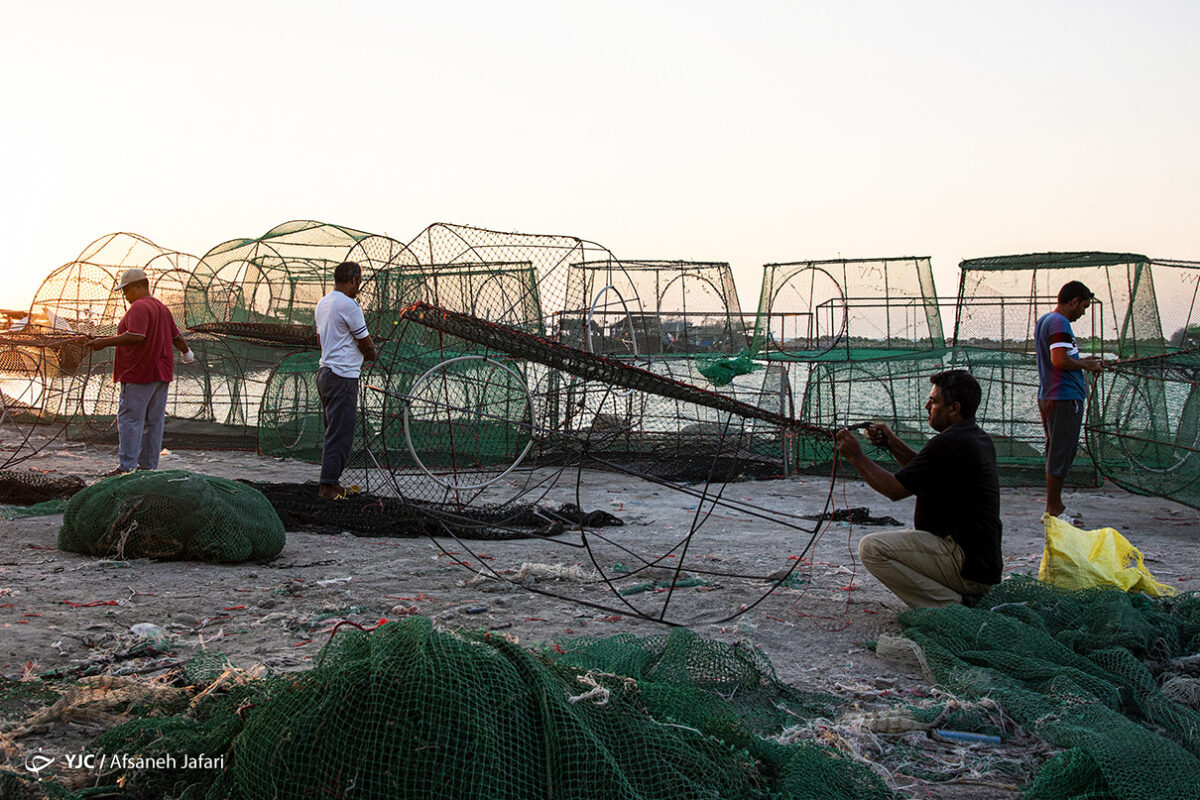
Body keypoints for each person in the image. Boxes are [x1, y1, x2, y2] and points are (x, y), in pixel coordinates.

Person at [833, 370, 1003, 608]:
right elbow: (924, 470)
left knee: (872, 549)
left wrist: (856, 456)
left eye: (933, 402)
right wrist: (891, 442)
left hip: (965, 564)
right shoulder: (975, 438)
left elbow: (895, 490)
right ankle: (956, 596)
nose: (926, 406)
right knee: (905, 538)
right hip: (981, 564)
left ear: (954, 409)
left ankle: (951, 606)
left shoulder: (948, 443)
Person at [87, 268, 193, 475]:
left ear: (137, 287)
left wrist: (102, 343)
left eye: (126, 291)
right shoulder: (161, 308)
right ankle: (148, 467)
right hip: (161, 374)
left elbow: (136, 336)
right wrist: (187, 352)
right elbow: (177, 337)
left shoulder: (139, 307)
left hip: (139, 373)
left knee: (130, 421)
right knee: (154, 423)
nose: (125, 296)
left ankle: (125, 467)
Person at [1035, 281, 1103, 525]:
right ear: (1073, 301)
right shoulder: (1059, 322)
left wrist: (1083, 360)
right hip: (1063, 397)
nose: (1082, 313)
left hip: (1051, 395)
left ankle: (1057, 504)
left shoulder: (1046, 320)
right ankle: (1053, 509)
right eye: (1083, 307)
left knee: (1058, 449)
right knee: (1061, 451)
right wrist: (1087, 365)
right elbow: (1060, 360)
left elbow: (1062, 356)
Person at [314, 261, 377, 499]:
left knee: (333, 430)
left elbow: (321, 341)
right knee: (341, 434)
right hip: (342, 377)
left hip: (325, 373)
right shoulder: (350, 306)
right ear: (354, 280)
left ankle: (331, 482)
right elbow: (366, 343)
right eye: (358, 282)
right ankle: (327, 487)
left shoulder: (323, 302)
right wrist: (372, 355)